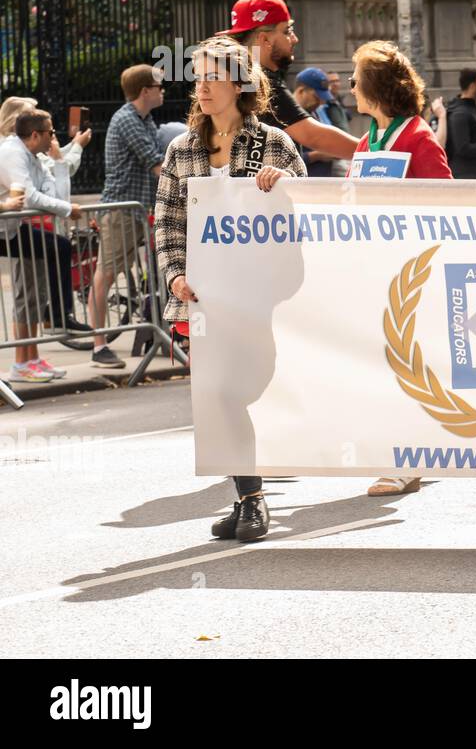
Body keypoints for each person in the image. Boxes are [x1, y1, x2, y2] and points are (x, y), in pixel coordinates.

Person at [154, 35, 306, 542]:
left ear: (239, 85)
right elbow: (168, 224)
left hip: (259, 296)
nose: (200, 87)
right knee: (219, 393)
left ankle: (248, 497)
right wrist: (175, 273)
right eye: (196, 77)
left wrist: (281, 184)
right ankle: (250, 497)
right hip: (204, 298)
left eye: (211, 76)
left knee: (248, 390)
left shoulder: (274, 144)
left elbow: (308, 210)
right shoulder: (182, 149)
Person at [343, 41, 454, 496]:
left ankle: (405, 461)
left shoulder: (418, 138)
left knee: (404, 365)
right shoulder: (370, 139)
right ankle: (402, 453)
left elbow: (447, 202)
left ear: (377, 88)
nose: (350, 88)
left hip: (412, 275)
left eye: (356, 80)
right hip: (374, 271)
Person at [88, 64, 166, 368]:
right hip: (120, 209)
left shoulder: (144, 119)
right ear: (145, 90)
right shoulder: (128, 120)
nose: (163, 92)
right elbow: (155, 162)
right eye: (159, 87)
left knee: (109, 274)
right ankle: (98, 346)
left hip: (134, 208)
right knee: (105, 275)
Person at [223, 0, 359, 161]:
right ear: (265, 39)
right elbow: (312, 135)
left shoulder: (236, 75)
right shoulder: (257, 80)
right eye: (287, 31)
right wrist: (375, 155)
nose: (294, 39)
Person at [0, 110, 92, 352]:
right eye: (50, 132)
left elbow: (57, 195)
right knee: (31, 289)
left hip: (12, 228)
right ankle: (58, 316)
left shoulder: (33, 157)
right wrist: (64, 208)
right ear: (34, 134)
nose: (54, 136)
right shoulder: (12, 153)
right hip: (5, 230)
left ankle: (32, 355)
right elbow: (31, 197)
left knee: (33, 295)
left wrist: (59, 160)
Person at [291, 69, 337, 177]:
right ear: (301, 91)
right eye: (317, 97)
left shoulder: (314, 112)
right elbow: (279, 160)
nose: (321, 102)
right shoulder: (285, 118)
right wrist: (316, 156)